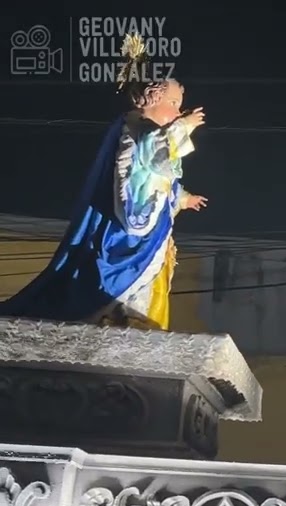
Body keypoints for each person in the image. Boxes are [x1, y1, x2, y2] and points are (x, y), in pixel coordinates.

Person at [0, 34, 207, 330]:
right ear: (152, 98)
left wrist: (183, 198)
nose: (178, 112)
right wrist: (184, 126)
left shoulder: (142, 128)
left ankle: (135, 318)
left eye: (179, 106)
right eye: (174, 103)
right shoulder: (137, 129)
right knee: (129, 275)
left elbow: (162, 177)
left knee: (147, 276)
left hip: (149, 226)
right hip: (127, 230)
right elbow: (155, 154)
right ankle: (123, 316)